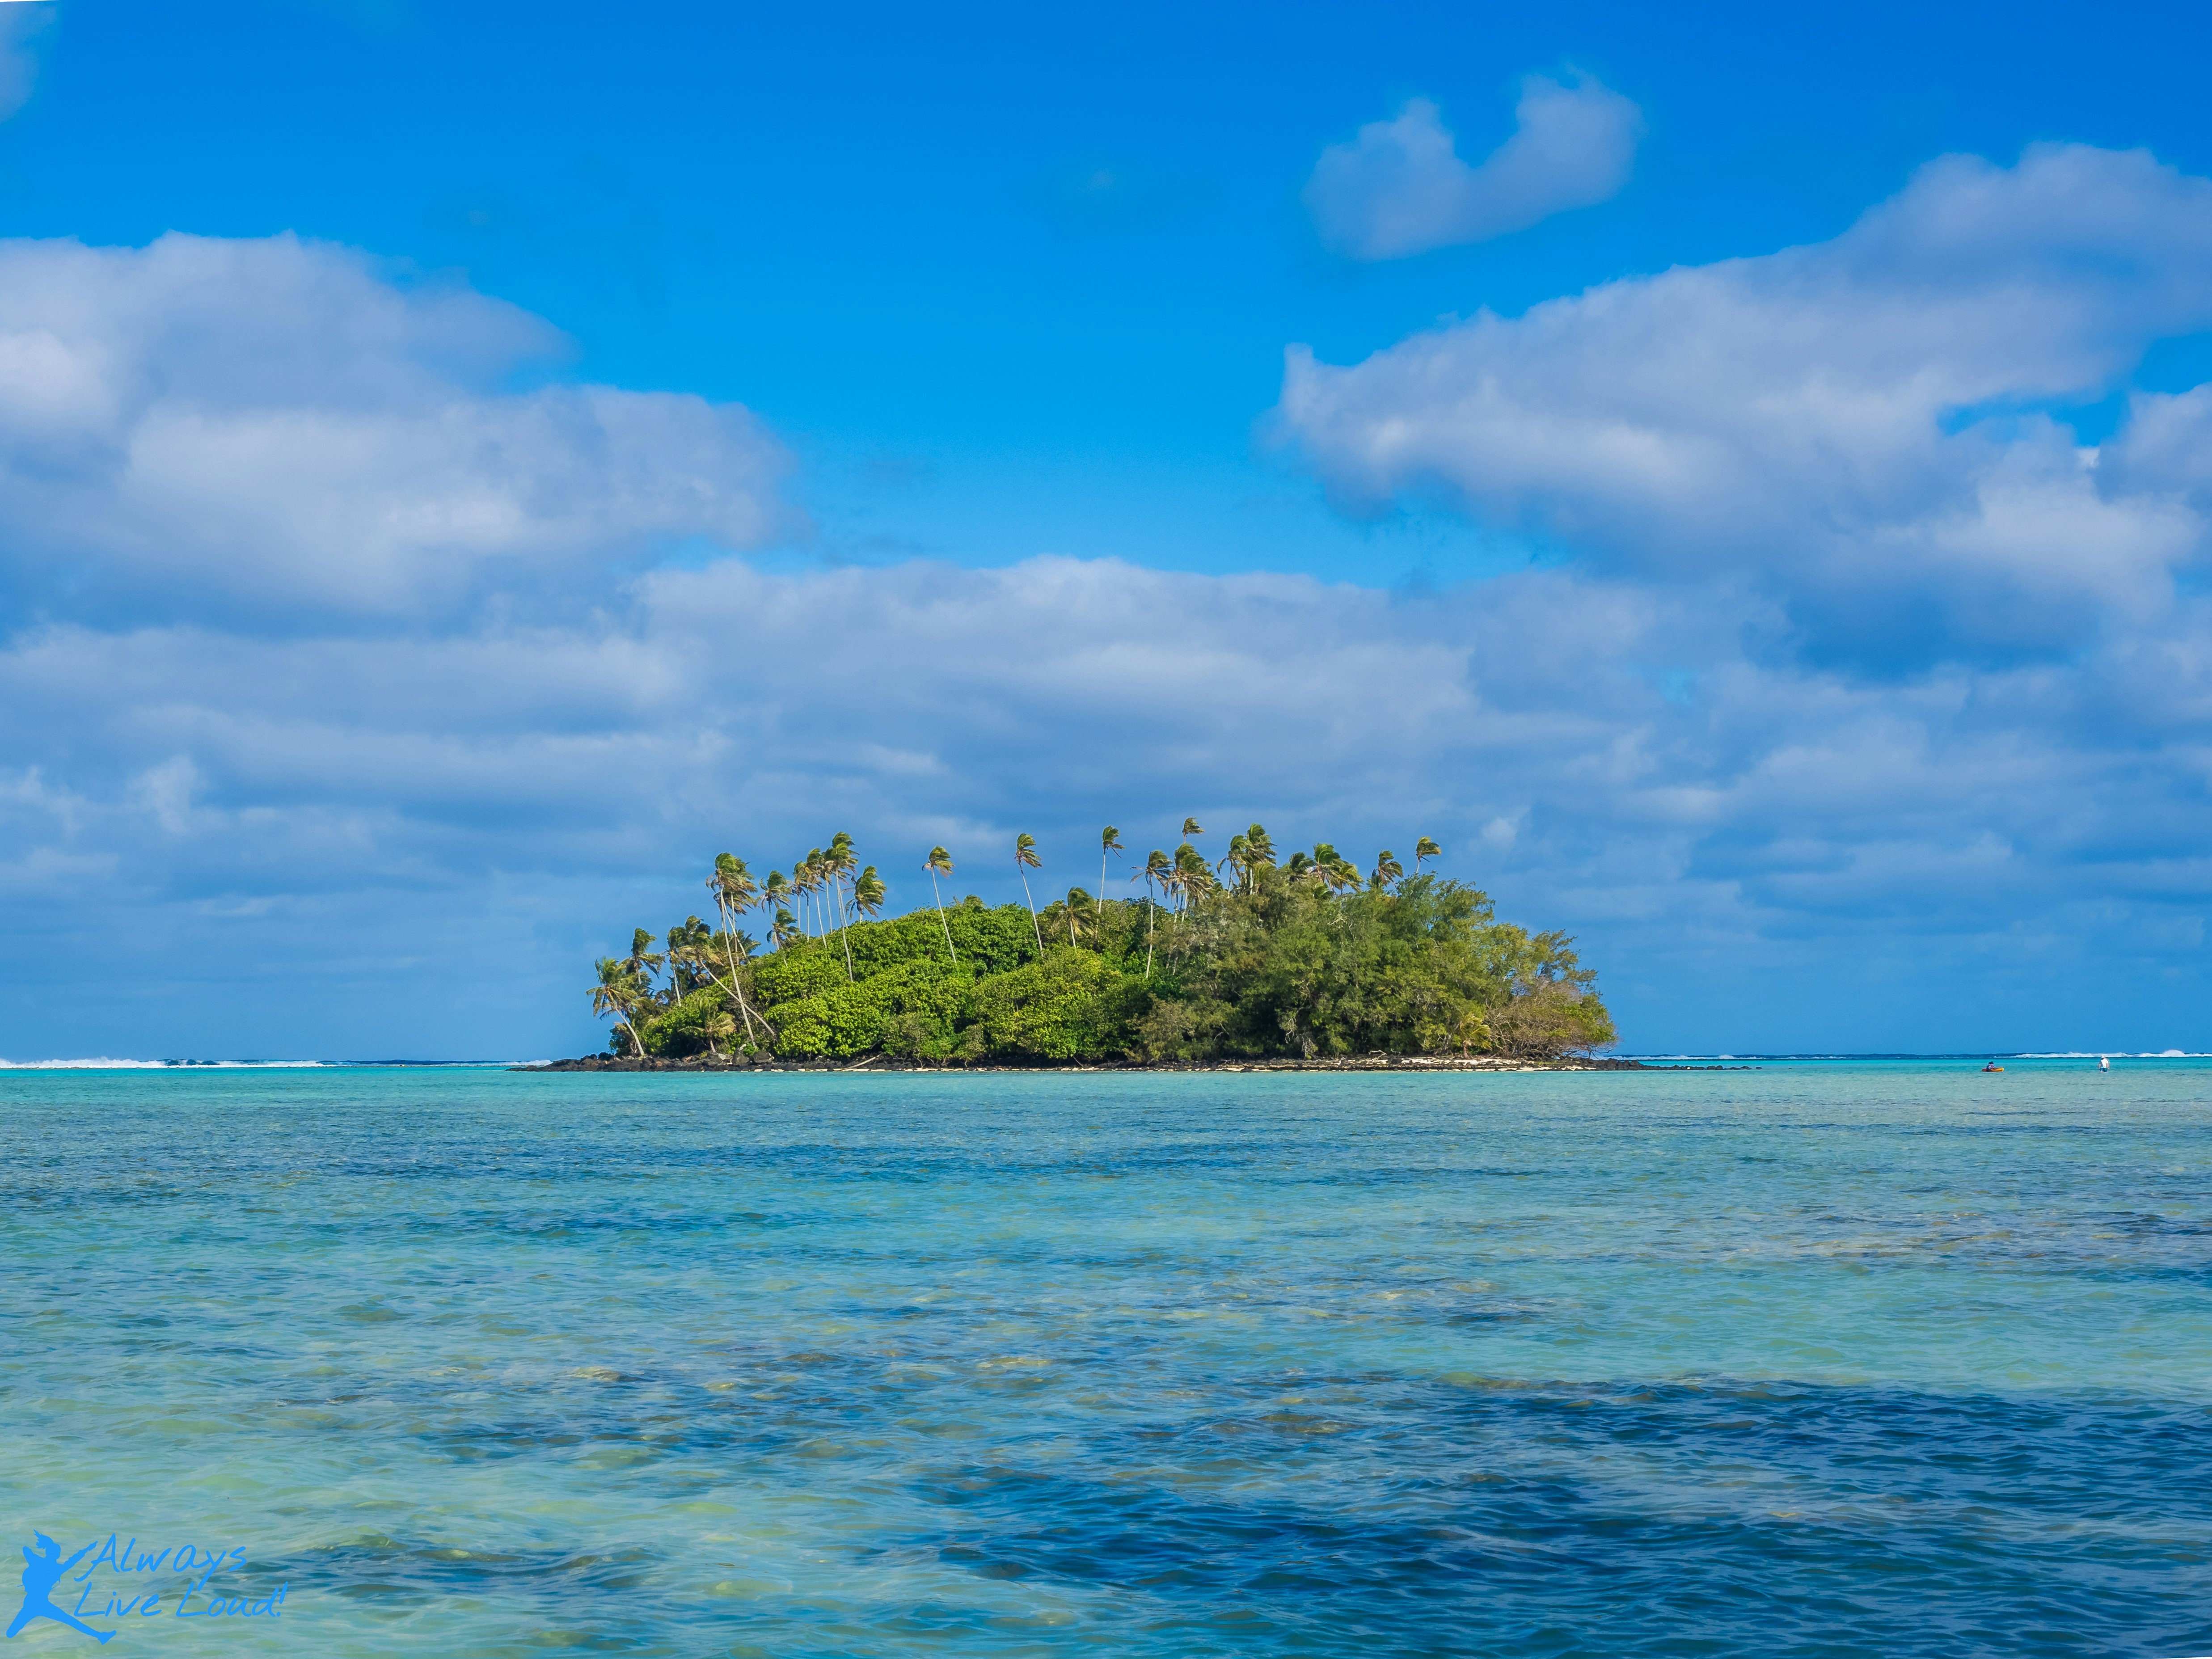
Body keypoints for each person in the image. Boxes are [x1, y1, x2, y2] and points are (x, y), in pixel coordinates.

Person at [8, 1533, 114, 1644]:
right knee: (70, 1621)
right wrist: (87, 1549)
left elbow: (26, 1550)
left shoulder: (36, 1561)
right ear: (57, 1555)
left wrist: (48, 1543)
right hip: (39, 1604)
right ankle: (100, 1636)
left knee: (10, 1634)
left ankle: (101, 1636)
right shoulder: (58, 1569)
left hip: (34, 1603)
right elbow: (74, 1560)